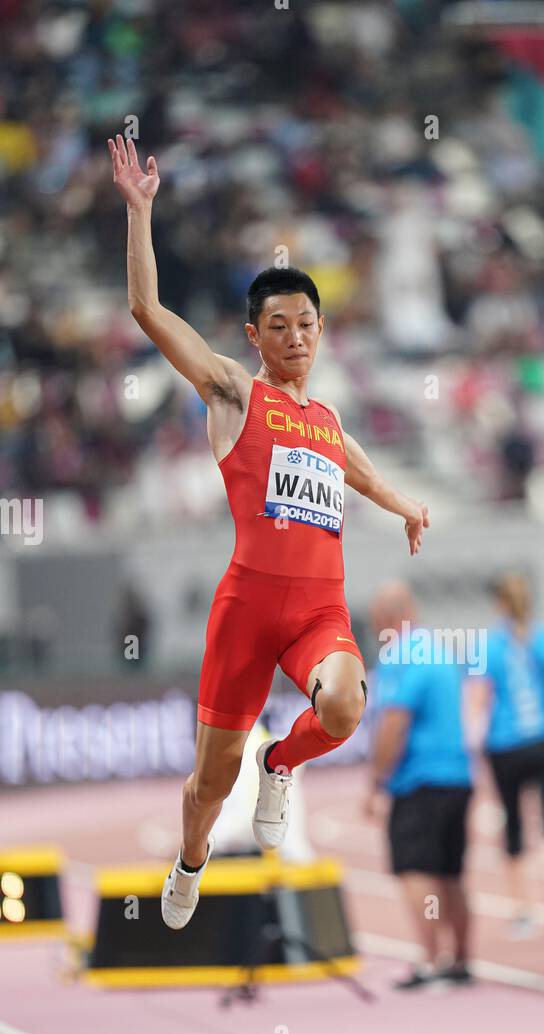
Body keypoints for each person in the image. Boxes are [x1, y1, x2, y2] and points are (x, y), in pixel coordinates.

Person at [107, 135, 428, 928]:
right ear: (255, 335)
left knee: (348, 705)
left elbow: (356, 467)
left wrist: (405, 506)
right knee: (208, 786)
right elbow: (147, 311)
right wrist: (140, 212)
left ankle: (281, 761)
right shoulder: (233, 395)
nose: (296, 338)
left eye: (308, 325)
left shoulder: (326, 418)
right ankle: (190, 860)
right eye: (279, 325)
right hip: (248, 611)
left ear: (322, 332)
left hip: (320, 612)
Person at [365, 582, 474, 989]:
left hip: (418, 778)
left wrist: (377, 781)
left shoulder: (399, 657)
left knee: (415, 868)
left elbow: (394, 722)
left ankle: (429, 960)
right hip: (458, 774)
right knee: (451, 871)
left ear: (387, 619)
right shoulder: (441, 651)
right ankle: (460, 958)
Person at [470, 572, 544, 936]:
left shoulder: (486, 647)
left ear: (499, 605)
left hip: (505, 746)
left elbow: (477, 701)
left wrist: (474, 750)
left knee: (514, 825)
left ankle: (522, 911)